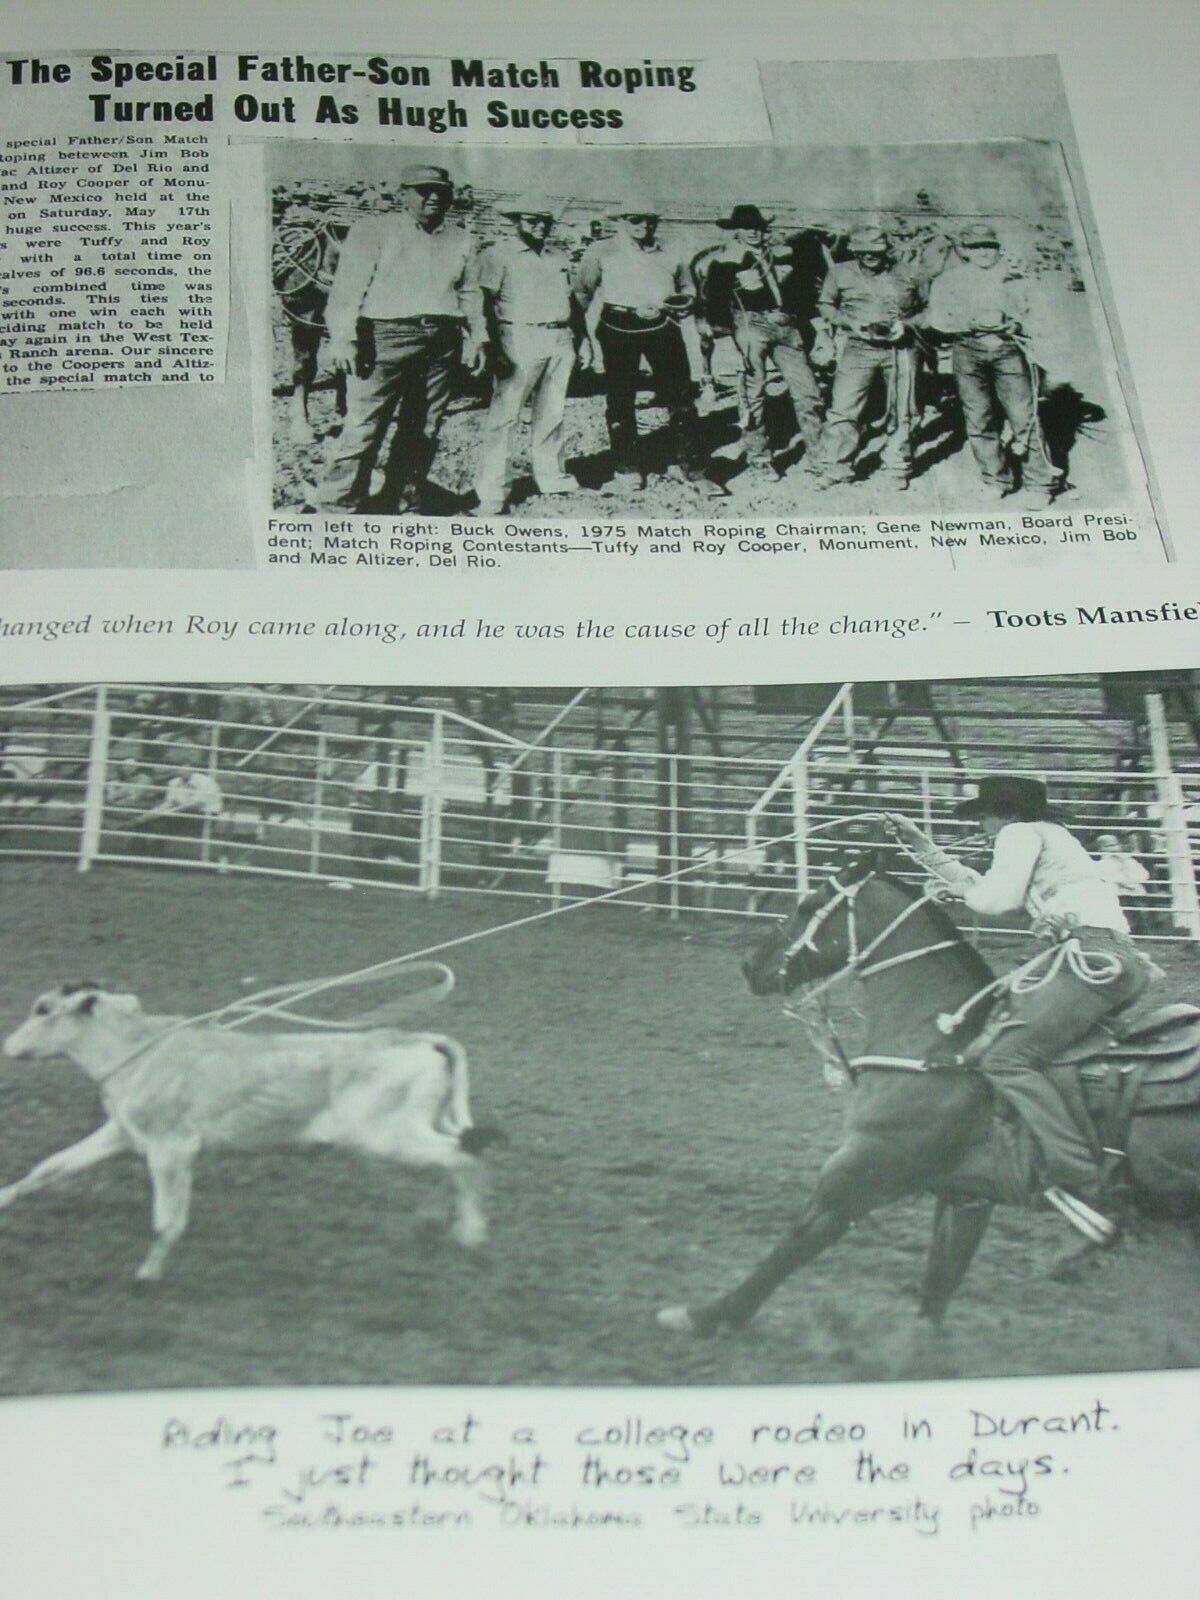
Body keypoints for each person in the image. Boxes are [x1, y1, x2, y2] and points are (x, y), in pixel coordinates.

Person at [886, 774, 1151, 1242]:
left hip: (1089, 958)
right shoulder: (1050, 836)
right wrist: (923, 847)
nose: (983, 827)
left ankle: (1078, 1177)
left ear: (1003, 813)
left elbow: (996, 900)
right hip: (1109, 958)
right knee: (1036, 1047)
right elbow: (987, 887)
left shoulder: (1016, 834)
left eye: (985, 816)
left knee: (1006, 1057)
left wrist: (959, 893)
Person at [309, 163, 487, 513]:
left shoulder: (461, 239)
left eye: (442, 192)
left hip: (442, 341)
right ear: (403, 193)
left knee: (424, 426)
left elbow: (469, 293)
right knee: (363, 426)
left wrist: (478, 337)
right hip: (384, 338)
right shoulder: (373, 230)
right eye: (424, 190)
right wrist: (343, 338)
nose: (434, 197)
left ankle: (403, 498)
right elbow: (347, 291)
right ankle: (336, 505)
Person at [924, 224, 1061, 506]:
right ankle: (995, 479)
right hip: (967, 350)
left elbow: (1042, 314)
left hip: (1008, 349)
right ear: (964, 251)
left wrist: (1017, 324)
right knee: (978, 417)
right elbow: (937, 318)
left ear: (998, 248)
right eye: (975, 247)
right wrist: (966, 324)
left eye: (989, 246)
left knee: (1024, 415)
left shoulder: (1016, 276)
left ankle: (1040, 484)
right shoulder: (949, 280)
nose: (983, 252)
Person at [573, 199, 705, 492]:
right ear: (622, 221)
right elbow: (582, 293)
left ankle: (692, 467)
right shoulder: (601, 251)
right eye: (636, 220)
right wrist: (578, 335)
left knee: (680, 395)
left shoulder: (671, 252)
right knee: (621, 397)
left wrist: (685, 302)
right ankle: (626, 467)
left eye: (650, 221)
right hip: (619, 325)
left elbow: (687, 288)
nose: (643, 226)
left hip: (663, 325)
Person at [473, 195, 586, 516]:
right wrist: (493, 346)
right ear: (516, 221)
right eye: (532, 219)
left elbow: (572, 301)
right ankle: (493, 490)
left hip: (559, 336)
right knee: (505, 416)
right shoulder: (497, 255)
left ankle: (551, 476)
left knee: (552, 411)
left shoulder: (556, 256)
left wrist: (583, 340)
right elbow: (484, 302)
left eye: (545, 221)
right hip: (518, 336)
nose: (540, 226)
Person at [700, 203, 824, 472]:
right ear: (736, 231)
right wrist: (727, 339)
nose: (753, 233)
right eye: (746, 228)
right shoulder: (725, 261)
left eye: (757, 227)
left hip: (785, 325)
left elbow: (806, 278)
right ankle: (759, 456)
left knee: (808, 393)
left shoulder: (780, 255)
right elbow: (715, 303)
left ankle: (819, 452)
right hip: (750, 325)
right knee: (754, 393)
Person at [809, 227, 927, 491]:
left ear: (886, 250)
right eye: (862, 251)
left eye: (875, 251)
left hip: (902, 349)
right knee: (844, 406)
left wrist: (907, 325)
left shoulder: (910, 272)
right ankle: (835, 466)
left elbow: (930, 309)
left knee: (905, 407)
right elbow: (826, 305)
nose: (869, 256)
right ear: (854, 251)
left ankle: (897, 464)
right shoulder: (840, 272)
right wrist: (850, 323)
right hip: (859, 348)